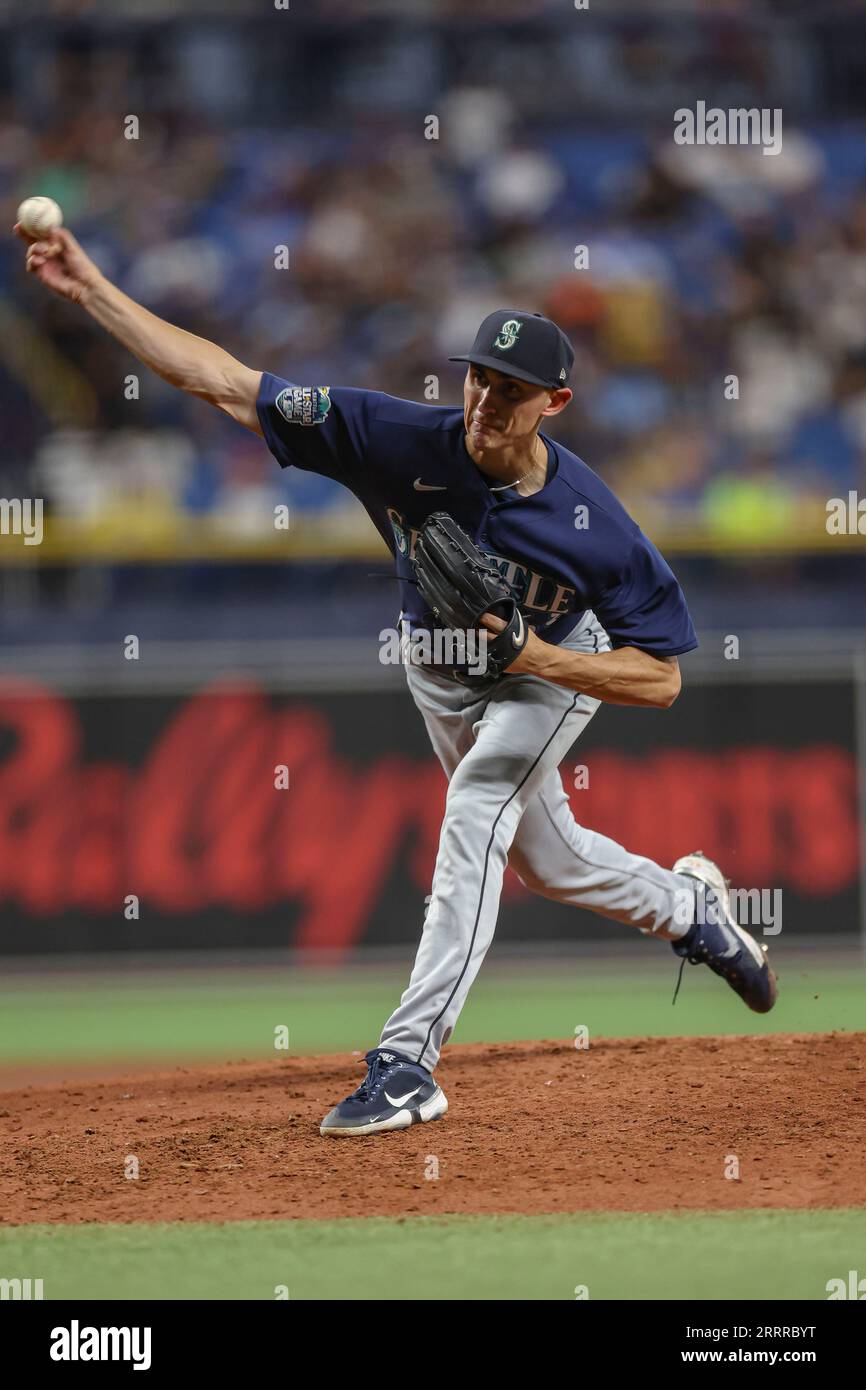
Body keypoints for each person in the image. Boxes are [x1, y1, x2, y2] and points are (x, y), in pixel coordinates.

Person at [17, 227, 778, 1140]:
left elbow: (660, 680)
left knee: (476, 803)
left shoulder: (597, 526)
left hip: (553, 666)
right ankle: (691, 909)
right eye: (478, 377)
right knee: (548, 858)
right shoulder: (393, 437)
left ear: (556, 402)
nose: (487, 400)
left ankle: (409, 1062)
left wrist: (538, 660)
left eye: (512, 390)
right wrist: (94, 286)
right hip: (439, 669)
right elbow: (220, 379)